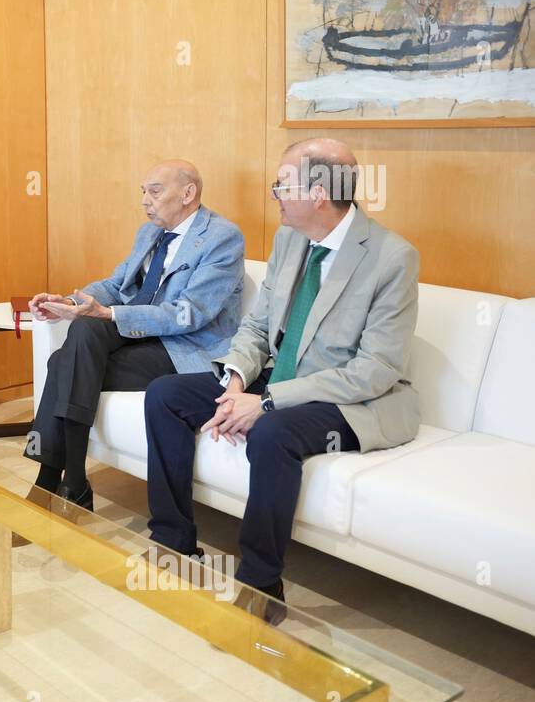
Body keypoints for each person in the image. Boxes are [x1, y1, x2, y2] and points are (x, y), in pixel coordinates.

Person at [144, 139, 419, 621]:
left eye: (282, 184)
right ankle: (174, 543)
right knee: (166, 395)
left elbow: (374, 370)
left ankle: (260, 584)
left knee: (271, 432)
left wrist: (266, 402)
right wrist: (234, 382)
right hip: (280, 379)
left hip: (348, 399)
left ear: (317, 192)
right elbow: (256, 326)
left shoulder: (391, 257)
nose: (275, 194)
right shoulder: (290, 240)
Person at [25, 160, 245, 509]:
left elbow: (190, 314)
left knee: (62, 362)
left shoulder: (222, 238)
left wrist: (110, 314)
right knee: (82, 331)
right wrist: (67, 301)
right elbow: (116, 285)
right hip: (139, 336)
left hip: (184, 348)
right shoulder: (149, 233)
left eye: (154, 191)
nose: (145, 200)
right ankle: (73, 480)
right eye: (143, 191)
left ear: (188, 193)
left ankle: (53, 481)